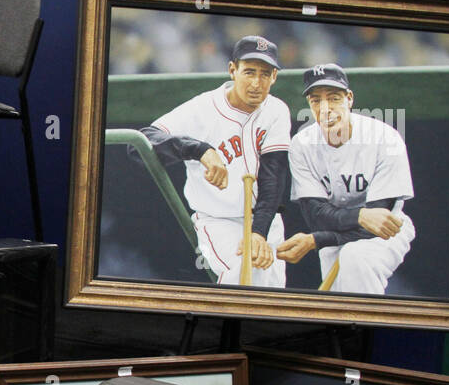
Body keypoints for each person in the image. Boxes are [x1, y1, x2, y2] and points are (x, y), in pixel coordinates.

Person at [140, 35, 292, 285]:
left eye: (265, 74)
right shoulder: (203, 108)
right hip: (220, 221)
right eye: (249, 72)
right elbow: (145, 140)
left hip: (266, 221)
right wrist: (199, 150)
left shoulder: (276, 110)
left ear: (274, 77)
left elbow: (273, 178)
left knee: (269, 296)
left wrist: (258, 232)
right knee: (244, 279)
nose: (256, 82)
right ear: (233, 70)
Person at [276, 63, 415, 293]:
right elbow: (317, 217)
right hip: (333, 234)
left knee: (355, 257)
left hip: (389, 232)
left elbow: (378, 225)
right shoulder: (302, 145)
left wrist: (315, 240)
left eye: (333, 98)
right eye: (316, 101)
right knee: (334, 304)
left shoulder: (385, 139)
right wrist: (359, 216)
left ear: (349, 98)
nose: (325, 108)